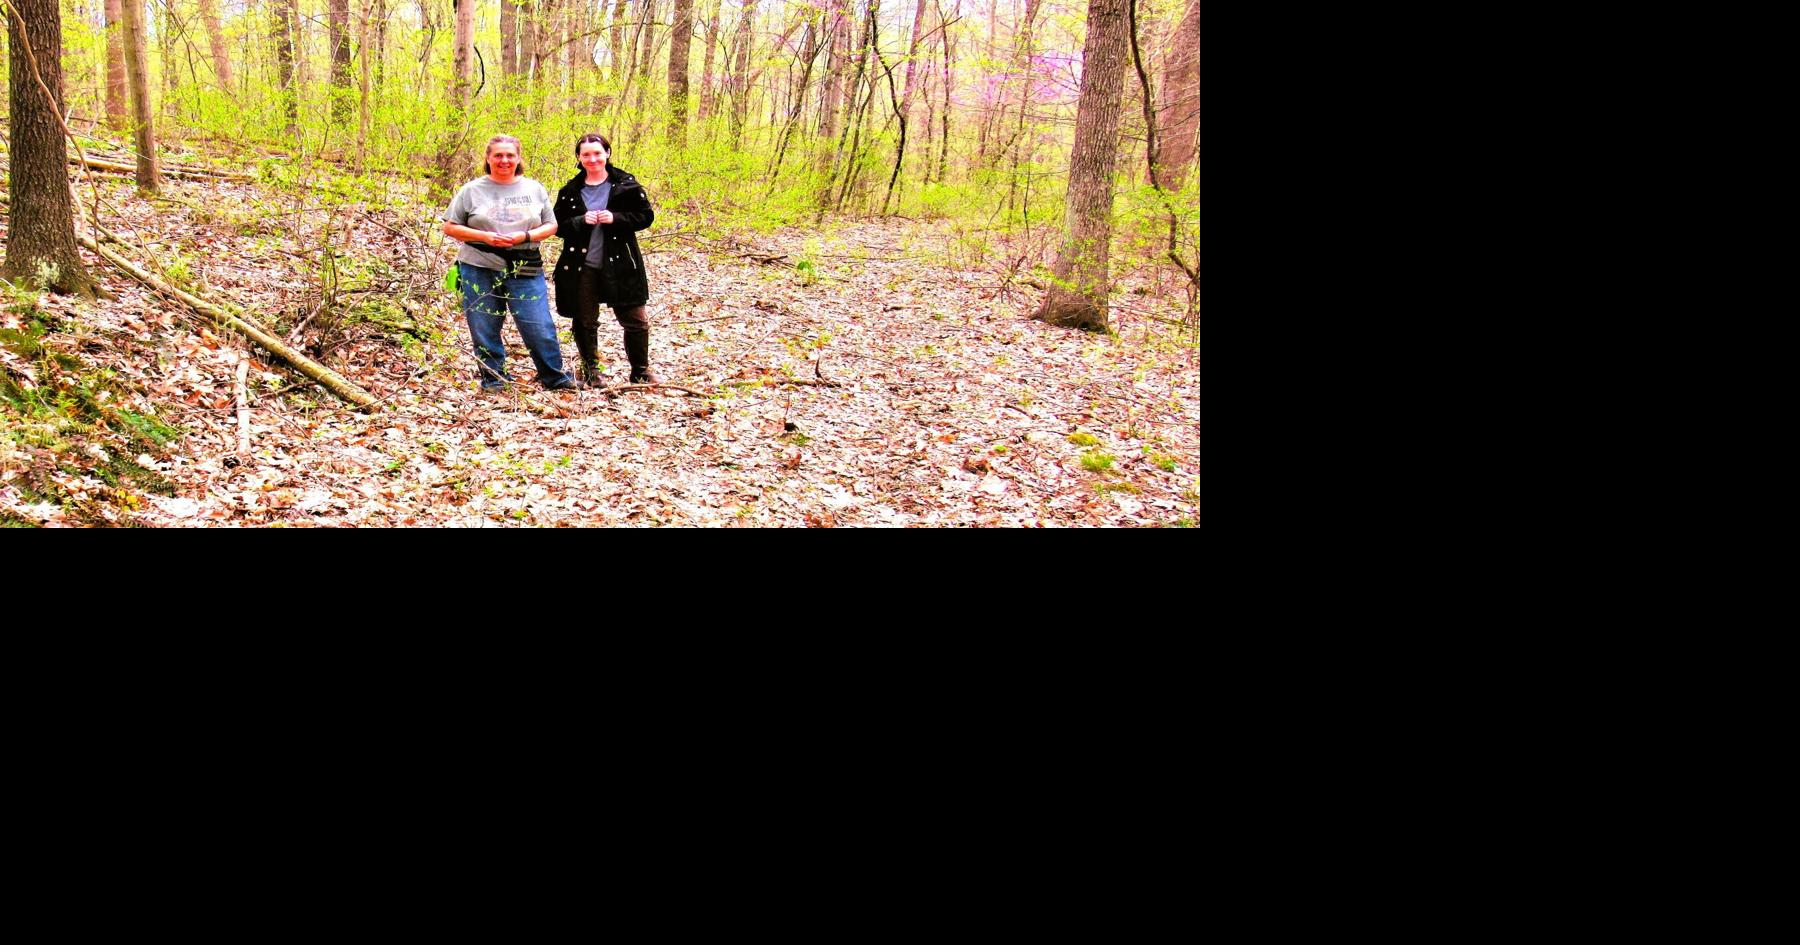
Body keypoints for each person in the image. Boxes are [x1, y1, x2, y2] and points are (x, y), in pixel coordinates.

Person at [442, 134, 577, 392]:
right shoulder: (471, 190)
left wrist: (525, 236)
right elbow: (450, 226)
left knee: (538, 324)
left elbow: (551, 225)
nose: (504, 160)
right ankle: (494, 378)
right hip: (478, 265)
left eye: (510, 155)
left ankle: (554, 377)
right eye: (498, 155)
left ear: (518, 158)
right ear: (488, 158)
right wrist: (484, 236)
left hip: (525, 264)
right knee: (483, 325)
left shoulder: (534, 189)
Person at [552, 133, 659, 386]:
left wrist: (617, 219)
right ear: (578, 157)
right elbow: (556, 226)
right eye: (586, 154)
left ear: (607, 153)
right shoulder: (570, 191)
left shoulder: (626, 184)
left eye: (597, 153)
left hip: (621, 263)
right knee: (585, 320)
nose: (592, 159)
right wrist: (579, 222)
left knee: (636, 319)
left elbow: (646, 217)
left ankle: (640, 371)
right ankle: (592, 371)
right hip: (581, 265)